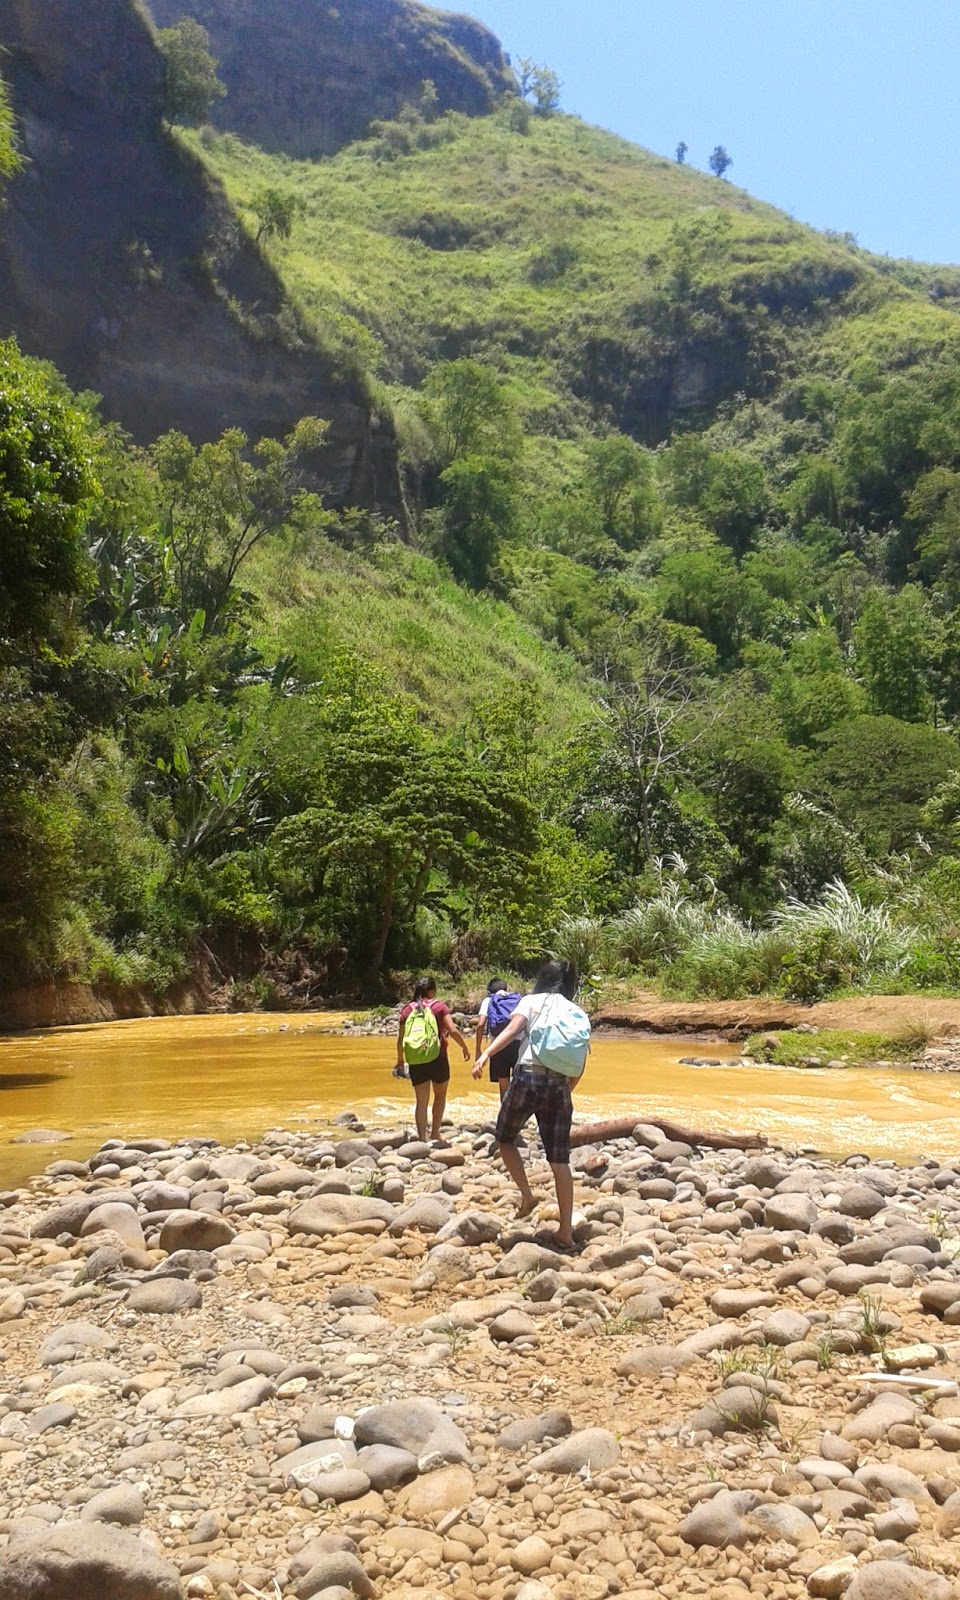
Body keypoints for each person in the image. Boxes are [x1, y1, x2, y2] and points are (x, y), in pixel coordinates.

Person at [473, 958, 589, 1255]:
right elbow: (580, 1063)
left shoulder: (531, 1000)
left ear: (543, 978)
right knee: (559, 1160)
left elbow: (512, 1031)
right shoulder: (578, 1012)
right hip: (560, 1084)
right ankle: (565, 1232)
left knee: (505, 1137)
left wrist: (485, 1054)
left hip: (527, 1077)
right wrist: (565, 1091)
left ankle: (527, 1195)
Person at [396, 976, 470, 1142]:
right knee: (440, 1096)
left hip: (415, 1059)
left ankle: (422, 1138)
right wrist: (464, 1047)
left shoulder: (407, 1010)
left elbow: (400, 1040)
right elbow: (452, 1030)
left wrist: (400, 1059)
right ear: (431, 991)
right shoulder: (438, 1007)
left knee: (421, 1102)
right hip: (438, 1057)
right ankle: (435, 1132)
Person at [474, 977, 522, 1101]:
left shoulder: (489, 1000)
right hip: (518, 1044)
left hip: (498, 1045)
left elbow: (480, 1025)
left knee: (503, 1083)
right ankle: (520, 1115)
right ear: (506, 988)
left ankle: (505, 1115)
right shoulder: (517, 999)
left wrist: (478, 1050)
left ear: (490, 991)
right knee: (519, 1082)